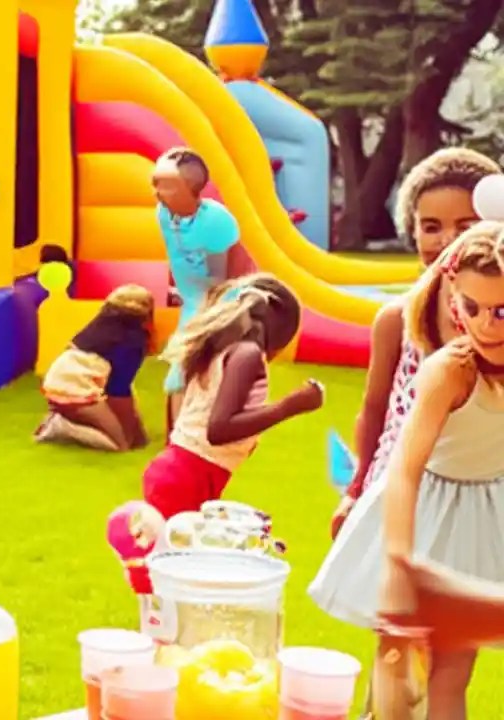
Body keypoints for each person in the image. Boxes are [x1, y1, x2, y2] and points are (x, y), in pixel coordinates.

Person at [310, 222, 504, 720]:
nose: (487, 325)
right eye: (472, 308)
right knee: (397, 664)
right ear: (454, 302)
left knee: (453, 673)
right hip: (421, 514)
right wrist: (399, 558)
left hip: (483, 516)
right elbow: (405, 469)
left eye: (502, 311)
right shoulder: (450, 371)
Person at [332, 148, 500, 537]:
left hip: (481, 502)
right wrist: (355, 491)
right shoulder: (398, 321)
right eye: (431, 226)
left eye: (466, 226)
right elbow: (375, 413)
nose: (448, 240)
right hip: (397, 494)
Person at [142, 273, 323, 520]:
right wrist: (289, 406)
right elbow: (218, 429)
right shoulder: (247, 354)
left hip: (185, 473)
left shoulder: (226, 348)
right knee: (175, 556)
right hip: (187, 477)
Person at [151, 148, 240, 434]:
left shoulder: (215, 221)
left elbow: (220, 279)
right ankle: (179, 438)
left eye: (166, 185)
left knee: (187, 367)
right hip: (193, 300)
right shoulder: (164, 213)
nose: (157, 191)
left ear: (189, 189)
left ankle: (182, 439)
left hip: (216, 303)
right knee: (181, 371)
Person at [35, 284, 154, 451]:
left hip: (58, 380)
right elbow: (118, 391)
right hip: (75, 388)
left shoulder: (99, 328)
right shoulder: (131, 341)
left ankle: (67, 419)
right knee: (119, 445)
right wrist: (132, 433)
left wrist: (138, 435)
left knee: (123, 438)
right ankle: (61, 427)